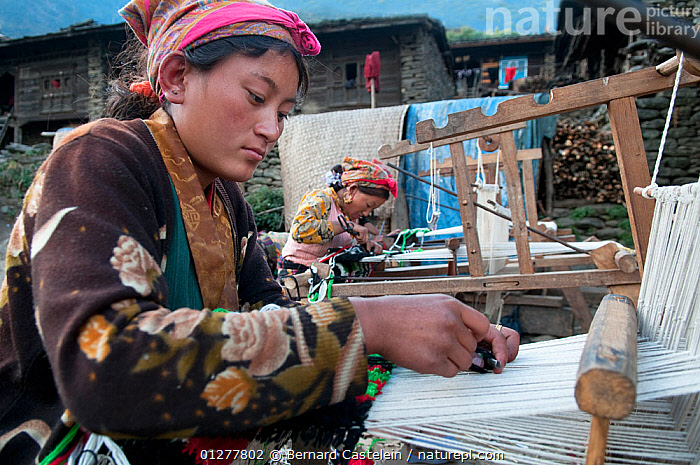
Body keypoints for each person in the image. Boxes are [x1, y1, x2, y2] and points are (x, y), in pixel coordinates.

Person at [0, 0, 519, 463]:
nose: (272, 128)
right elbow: (105, 368)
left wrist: (434, 335)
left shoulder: (226, 201)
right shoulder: (99, 159)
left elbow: (268, 312)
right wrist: (366, 324)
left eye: (284, 112)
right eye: (256, 98)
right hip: (69, 440)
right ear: (176, 78)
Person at [278, 158, 393, 279]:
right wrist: (346, 226)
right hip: (297, 278)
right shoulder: (321, 199)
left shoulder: (350, 214)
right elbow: (300, 230)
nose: (366, 213)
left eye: (372, 210)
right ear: (352, 190)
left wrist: (366, 245)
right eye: (368, 205)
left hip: (326, 277)